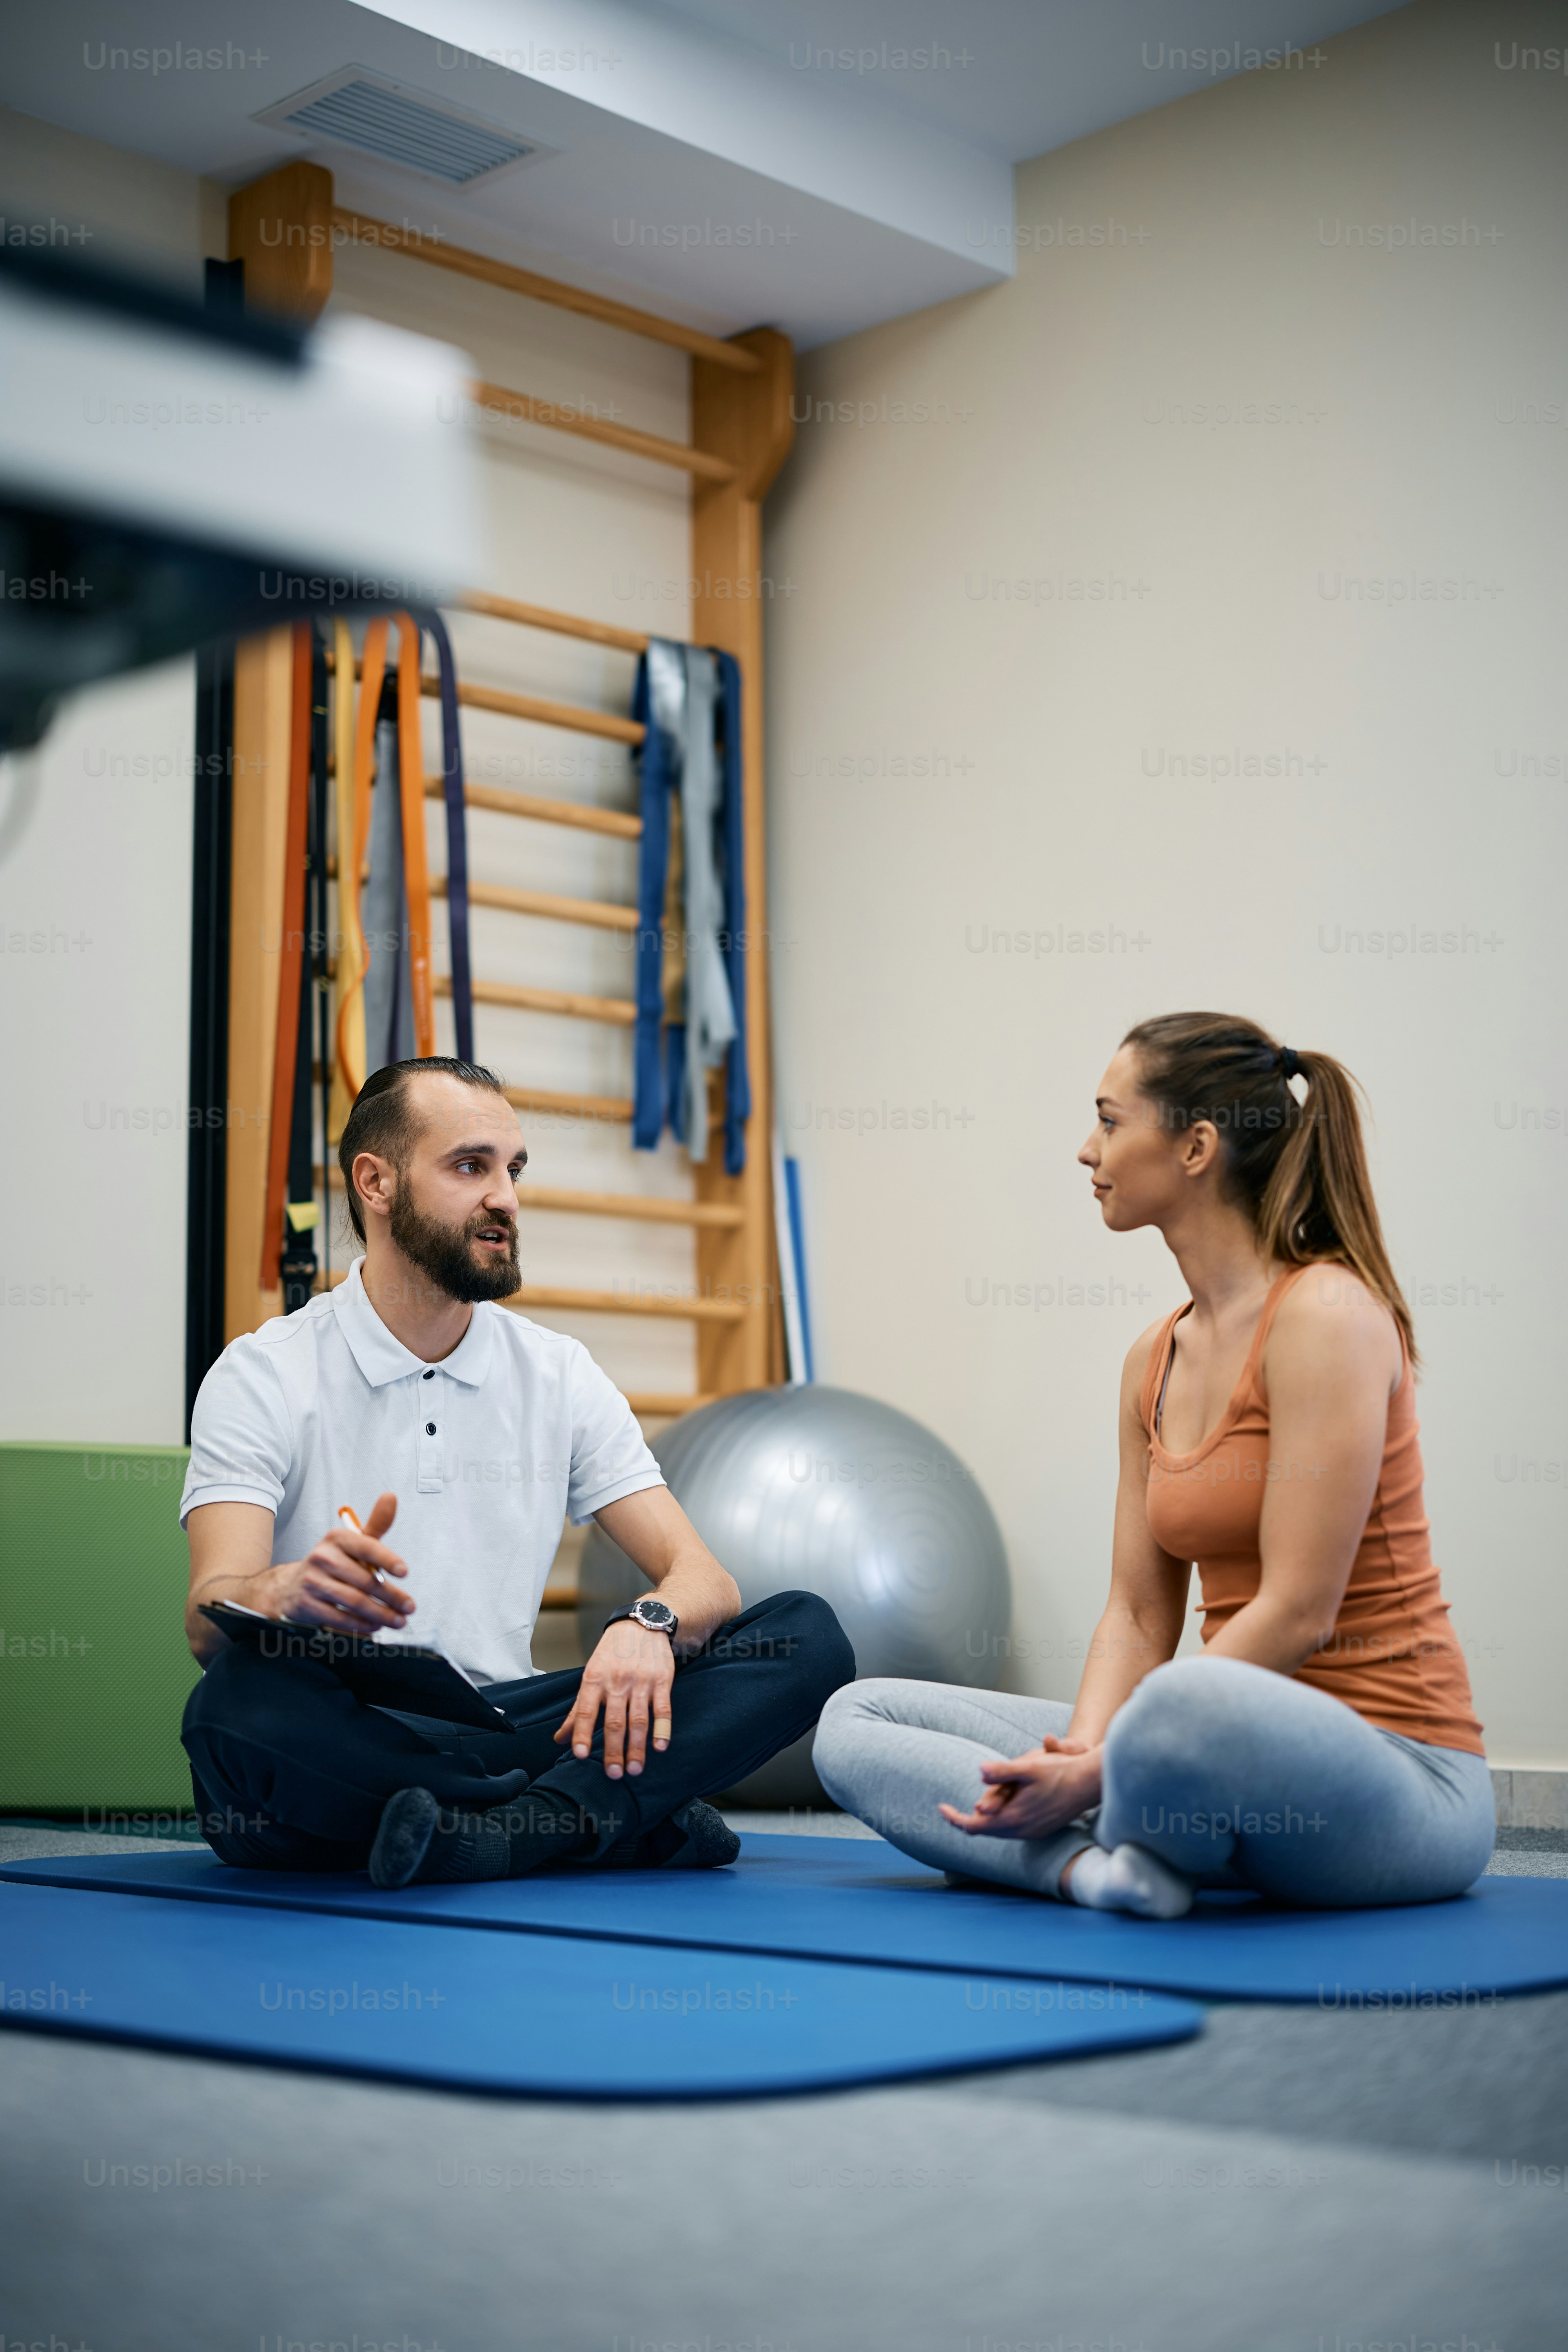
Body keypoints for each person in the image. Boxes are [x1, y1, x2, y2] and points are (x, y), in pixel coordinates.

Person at [814, 1012, 1492, 1916]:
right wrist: (1081, 1751)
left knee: (1175, 1715)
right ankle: (1098, 1872)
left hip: (1396, 1778)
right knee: (854, 1720)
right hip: (1195, 1755)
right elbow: (1137, 1612)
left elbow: (1296, 1611)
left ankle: (1118, 1821)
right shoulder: (1152, 1358)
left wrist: (1106, 1766)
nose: (1085, 1150)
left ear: (1194, 1148)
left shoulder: (1327, 1315)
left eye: (1108, 1120)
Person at [181, 1055, 853, 1889]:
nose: (505, 1196)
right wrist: (282, 1593)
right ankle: (599, 1820)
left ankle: (501, 1835)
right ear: (376, 1183)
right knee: (232, 1711)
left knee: (805, 1633)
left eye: (514, 1169)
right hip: (345, 1720)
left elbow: (702, 1581)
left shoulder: (559, 1372)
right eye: (470, 1166)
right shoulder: (262, 1372)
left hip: (508, 1718)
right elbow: (208, 1621)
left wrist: (646, 1624)